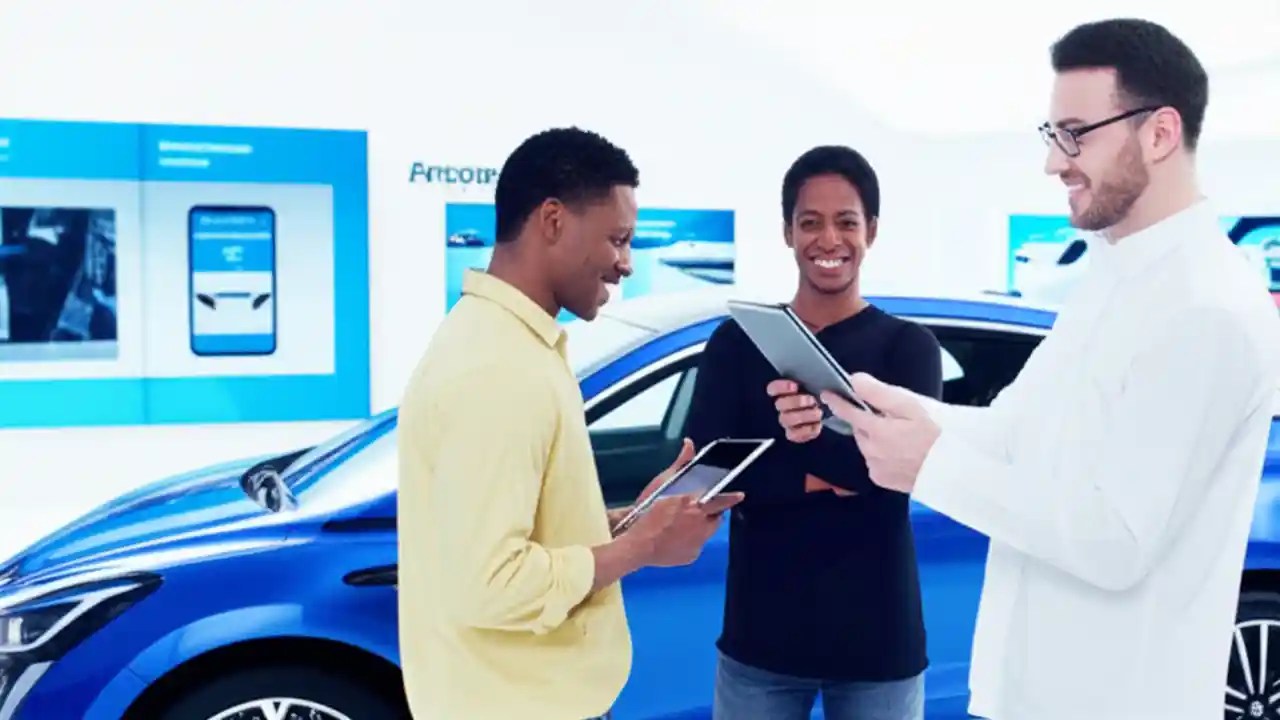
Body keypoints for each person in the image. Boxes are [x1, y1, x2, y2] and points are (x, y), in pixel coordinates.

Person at [784, 19, 1280, 720]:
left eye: (1074, 134)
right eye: (1052, 137)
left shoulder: (1209, 308)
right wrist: (890, 410)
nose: (1055, 164)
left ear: (1160, 134)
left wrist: (929, 467)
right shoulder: (1115, 280)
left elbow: (1119, 540)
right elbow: (1019, 431)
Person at [397, 126, 744, 720]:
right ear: (553, 220)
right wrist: (642, 546)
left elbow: (513, 536)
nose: (626, 264)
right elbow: (492, 581)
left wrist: (630, 519)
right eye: (617, 239)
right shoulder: (498, 369)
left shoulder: (503, 344)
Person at [685, 145, 943, 720]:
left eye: (846, 222)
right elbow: (710, 473)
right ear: (787, 232)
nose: (829, 240)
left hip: (879, 644)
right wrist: (837, 473)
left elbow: (896, 483)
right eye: (811, 222)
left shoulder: (909, 349)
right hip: (760, 645)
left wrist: (801, 450)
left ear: (870, 230)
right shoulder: (738, 343)